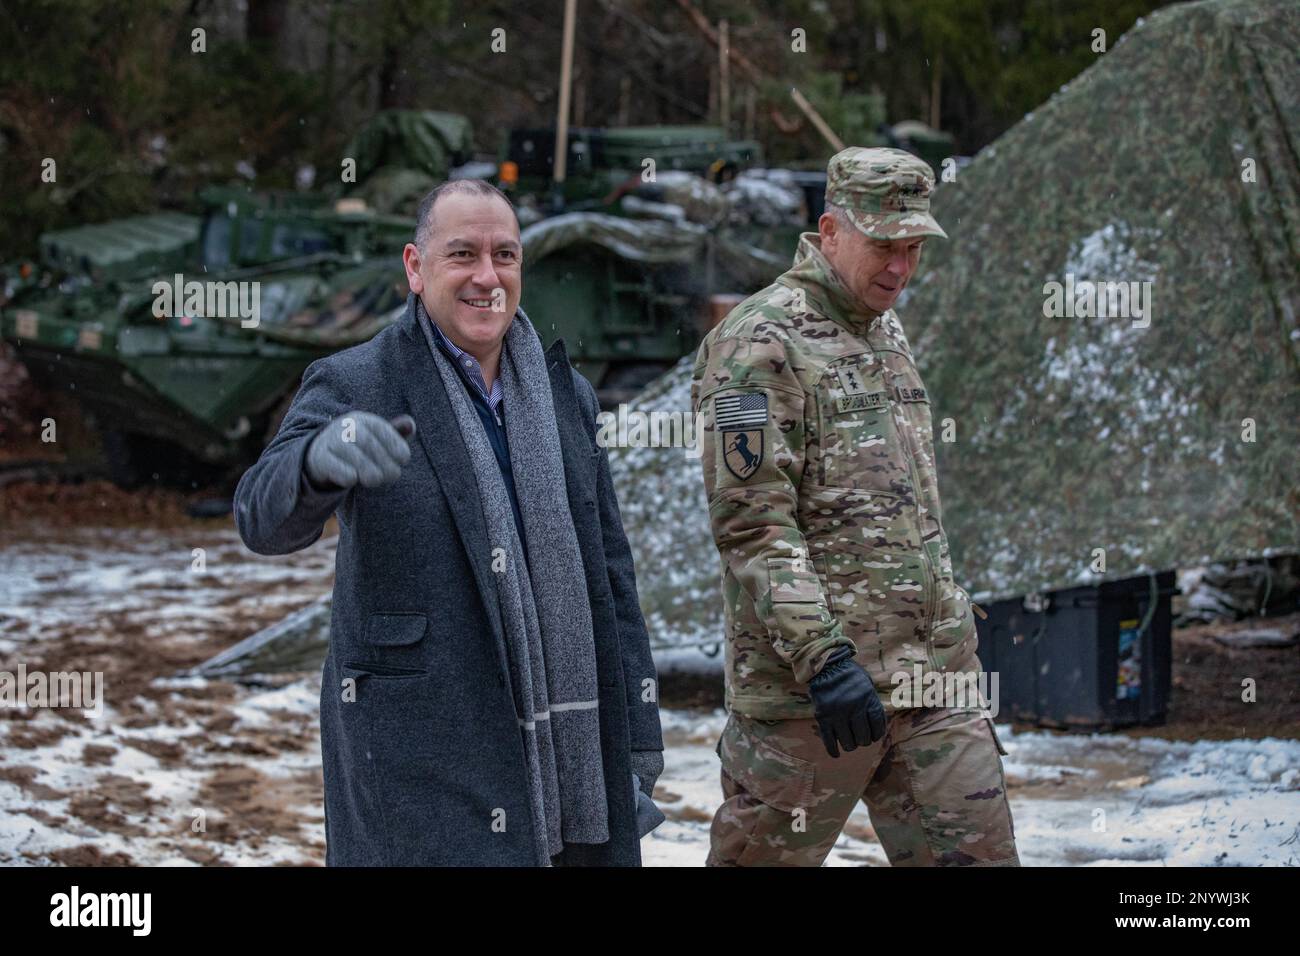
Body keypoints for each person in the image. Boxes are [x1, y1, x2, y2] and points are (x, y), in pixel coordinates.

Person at [234, 179, 663, 866]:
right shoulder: (357, 382)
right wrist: (316, 458)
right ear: (415, 266)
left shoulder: (564, 395)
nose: (487, 277)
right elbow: (260, 518)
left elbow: (610, 576)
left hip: (573, 760)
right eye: (462, 254)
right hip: (421, 757)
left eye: (505, 256)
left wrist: (635, 748)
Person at [691, 148, 1019, 866]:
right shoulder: (757, 342)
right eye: (883, 246)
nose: (900, 268)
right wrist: (824, 657)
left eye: (913, 248)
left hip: (932, 681)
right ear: (829, 229)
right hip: (812, 699)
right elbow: (752, 524)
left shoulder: (885, 329)